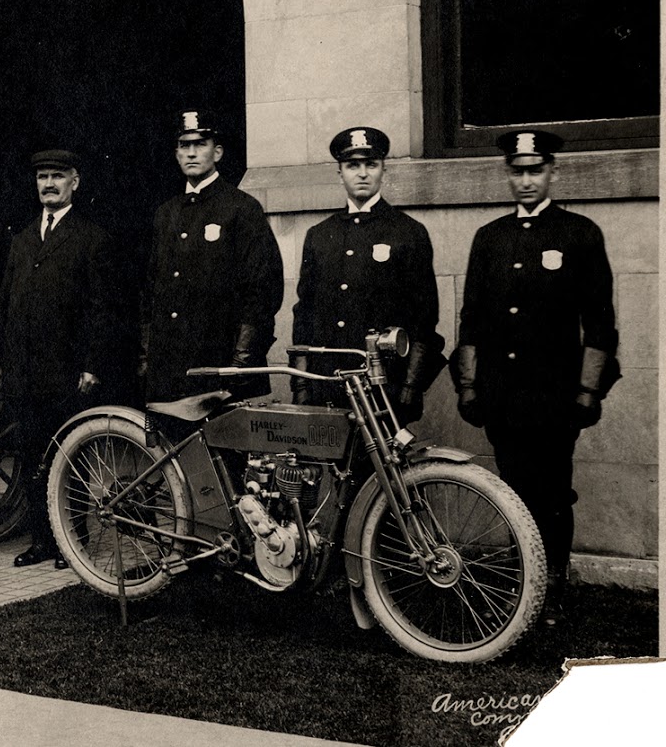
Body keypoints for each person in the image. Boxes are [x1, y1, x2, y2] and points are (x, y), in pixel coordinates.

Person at [451, 129, 618, 625]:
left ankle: (552, 586)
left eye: (535, 170)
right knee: (514, 489)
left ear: (552, 172)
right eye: (517, 171)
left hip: (555, 392)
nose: (526, 180)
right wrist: (469, 384)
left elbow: (600, 320)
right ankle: (521, 582)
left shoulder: (579, 233)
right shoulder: (490, 237)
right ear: (508, 173)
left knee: (552, 491)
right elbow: (472, 317)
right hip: (502, 391)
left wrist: (588, 389)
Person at [0, 150, 114, 569]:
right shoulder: (23, 239)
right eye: (42, 177)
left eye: (57, 177)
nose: (48, 184)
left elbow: (101, 309)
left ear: (74, 182)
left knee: (69, 458)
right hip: (24, 372)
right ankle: (42, 540)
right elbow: (6, 307)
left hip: (66, 373)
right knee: (31, 459)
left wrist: (92, 365)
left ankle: (72, 540)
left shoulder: (90, 238)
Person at [290, 127, 444, 422]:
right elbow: (304, 314)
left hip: (383, 385)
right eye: (352, 166)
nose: (362, 173)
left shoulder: (408, 232)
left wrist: (411, 386)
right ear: (340, 173)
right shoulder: (320, 235)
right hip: (329, 384)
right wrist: (301, 383)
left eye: (370, 165)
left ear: (383, 170)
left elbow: (424, 318)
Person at [140, 110, 283, 406]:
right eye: (183, 145)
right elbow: (152, 289)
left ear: (217, 152)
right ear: (176, 153)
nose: (191, 153)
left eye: (200, 144)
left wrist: (241, 361)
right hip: (171, 367)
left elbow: (262, 289)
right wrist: (147, 353)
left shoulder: (241, 208)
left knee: (221, 450)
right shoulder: (166, 213)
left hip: (220, 365)